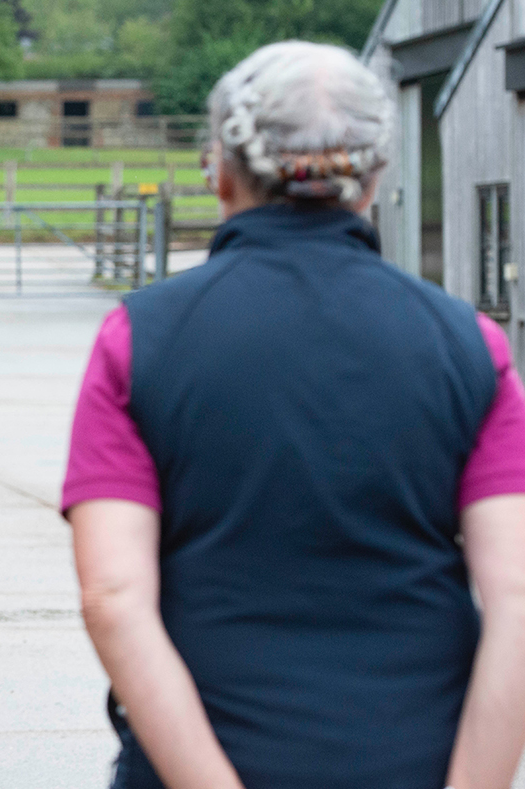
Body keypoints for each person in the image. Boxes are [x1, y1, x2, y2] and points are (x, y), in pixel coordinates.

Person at [62, 41, 525, 789]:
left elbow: (113, 597)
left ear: (219, 171)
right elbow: (518, 599)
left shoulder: (139, 340)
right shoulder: (471, 346)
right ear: (372, 179)